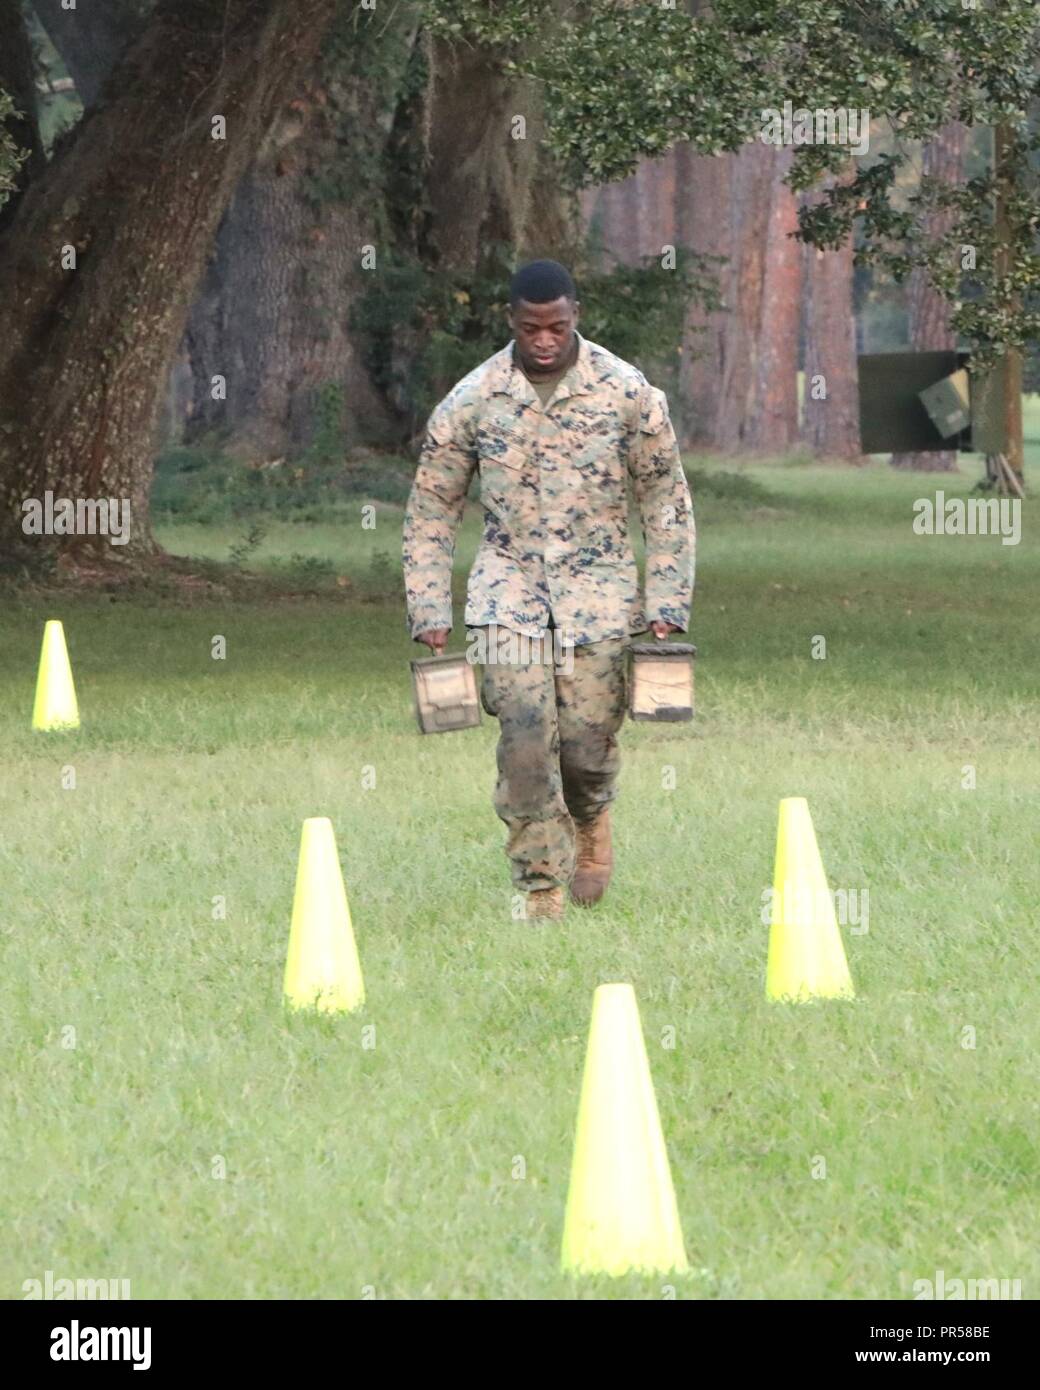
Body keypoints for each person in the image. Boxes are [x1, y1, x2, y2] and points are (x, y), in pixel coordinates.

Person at [402, 259, 695, 920]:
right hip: (509, 598)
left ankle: (592, 821)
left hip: (602, 597)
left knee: (587, 748)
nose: (543, 340)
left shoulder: (625, 392)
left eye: (556, 326)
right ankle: (540, 884)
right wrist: (429, 604)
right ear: (511, 321)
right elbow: (432, 511)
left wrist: (667, 602)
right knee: (527, 739)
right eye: (531, 327)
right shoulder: (473, 398)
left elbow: (665, 501)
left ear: (575, 318)